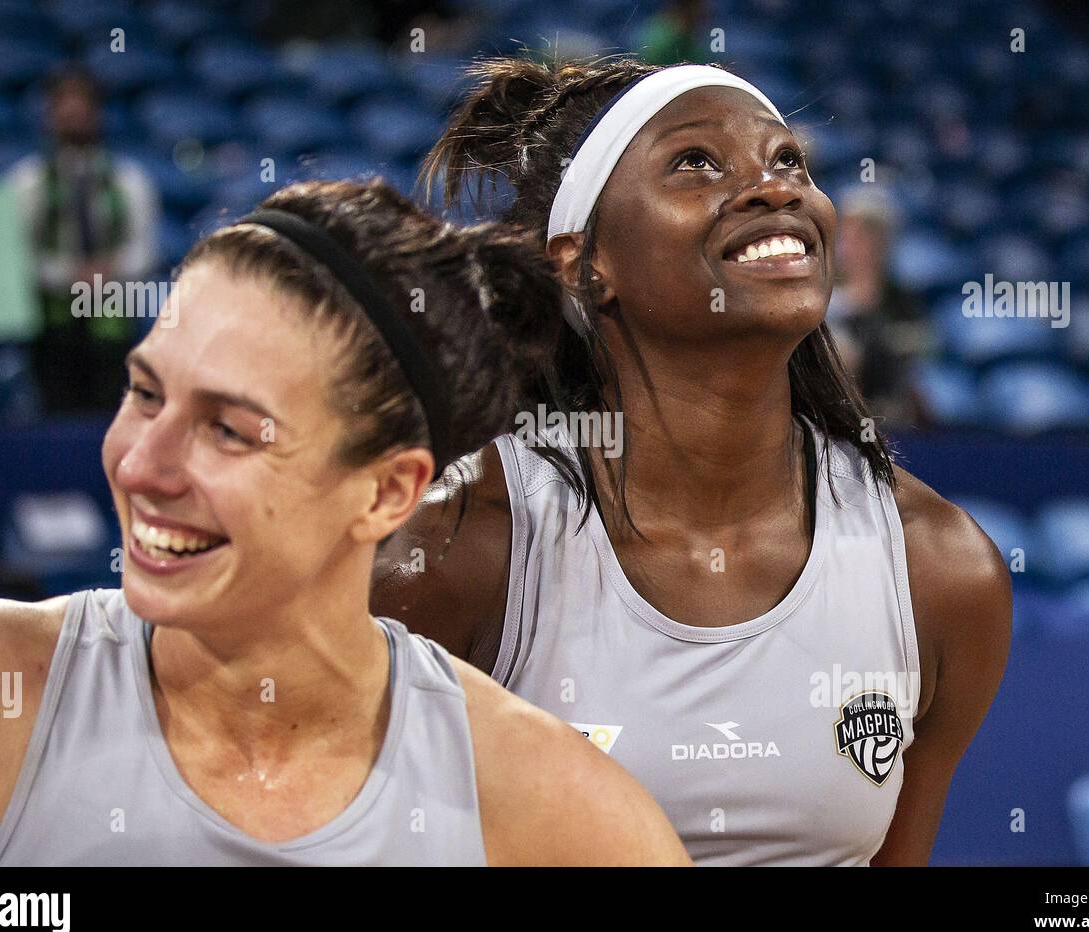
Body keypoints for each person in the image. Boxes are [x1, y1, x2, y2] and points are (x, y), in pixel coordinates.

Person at [0, 179, 690, 867]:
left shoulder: (552, 810)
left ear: (389, 492)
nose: (140, 465)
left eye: (228, 430)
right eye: (147, 394)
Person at [376, 58, 1013, 865]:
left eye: (788, 162)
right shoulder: (457, 547)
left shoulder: (942, 570)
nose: (774, 188)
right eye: (697, 164)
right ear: (581, 264)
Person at [9, 67, 160, 414]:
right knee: (56, 407)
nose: (73, 115)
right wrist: (68, 274)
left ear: (97, 114)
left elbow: (145, 246)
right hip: (51, 319)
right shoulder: (27, 181)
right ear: (50, 115)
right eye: (64, 107)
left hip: (111, 312)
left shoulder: (128, 179)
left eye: (82, 106)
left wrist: (112, 269)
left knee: (112, 404)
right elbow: (18, 252)